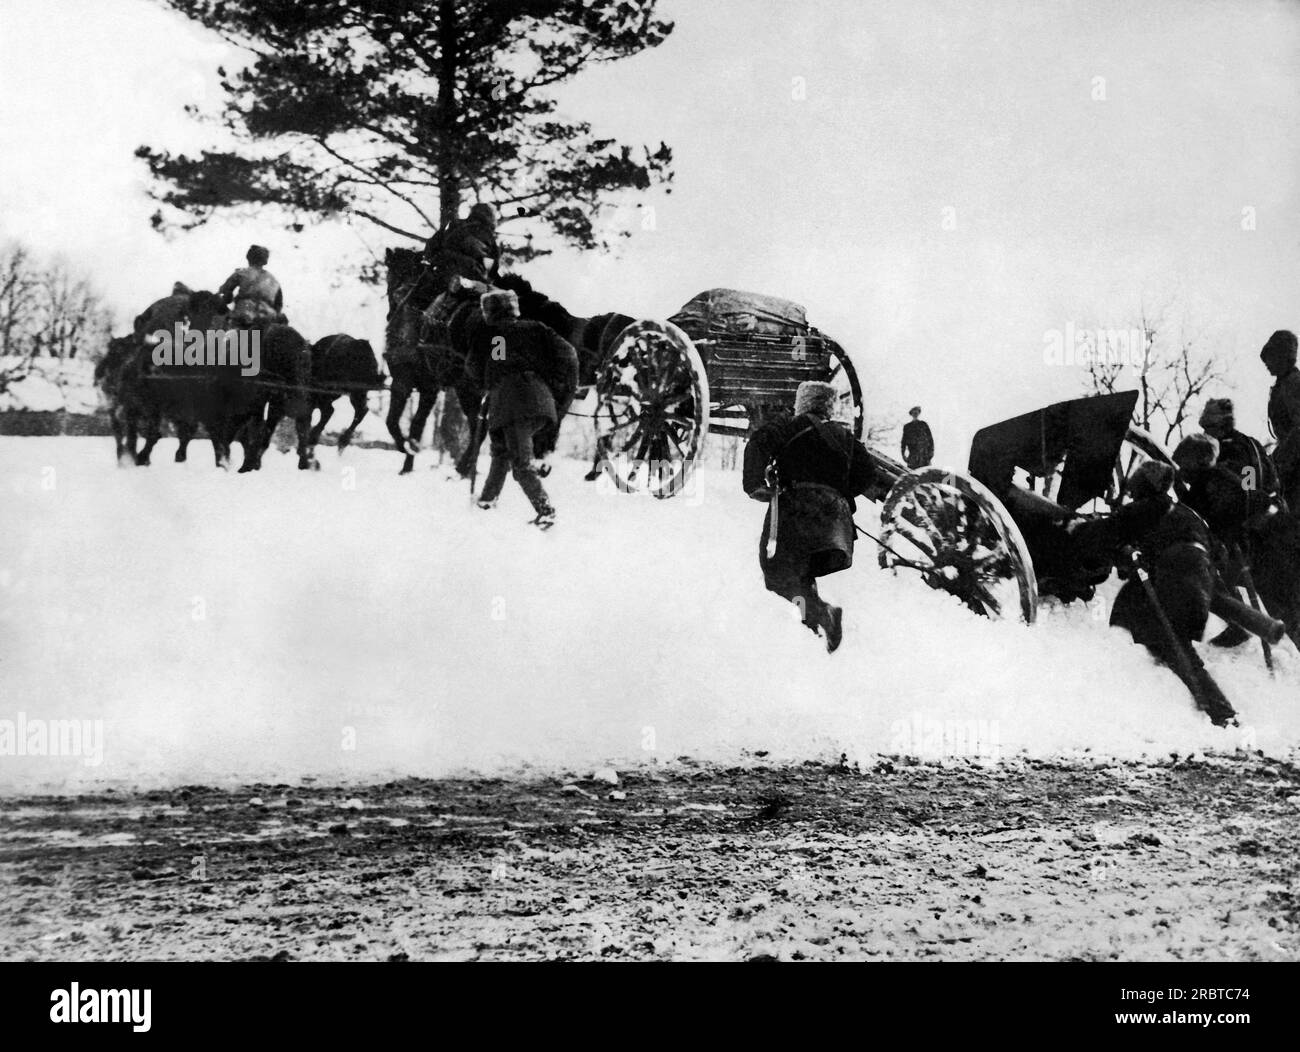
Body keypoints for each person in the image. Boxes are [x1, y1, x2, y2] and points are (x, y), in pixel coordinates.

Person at [1087, 460, 1235, 726]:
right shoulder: (1188, 513)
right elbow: (1220, 554)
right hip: (1197, 584)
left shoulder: (1143, 509)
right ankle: (1183, 708)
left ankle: (1221, 713)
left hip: (1172, 582)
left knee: (1173, 647)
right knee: (1162, 644)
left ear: (1143, 485)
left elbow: (1100, 536)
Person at [743, 381, 883, 652]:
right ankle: (814, 627)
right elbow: (867, 475)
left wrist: (755, 484)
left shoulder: (789, 425)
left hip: (797, 510)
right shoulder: (845, 437)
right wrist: (838, 492)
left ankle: (821, 613)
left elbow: (759, 442)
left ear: (802, 404)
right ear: (829, 407)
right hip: (836, 522)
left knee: (774, 574)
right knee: (801, 572)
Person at [464, 289, 578, 528]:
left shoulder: (497, 336)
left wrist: (485, 382)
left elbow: (489, 366)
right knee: (501, 452)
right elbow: (568, 353)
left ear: (490, 313)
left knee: (520, 464)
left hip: (512, 404)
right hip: (538, 401)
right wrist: (555, 382)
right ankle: (486, 500)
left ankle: (546, 511)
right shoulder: (536, 328)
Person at [422, 203, 501, 340]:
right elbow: (493, 269)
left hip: (448, 275)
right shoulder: (491, 239)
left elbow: (431, 248)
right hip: (478, 284)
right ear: (490, 219)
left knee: (425, 307)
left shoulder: (454, 224)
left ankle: (423, 336)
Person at [1262, 330, 1300, 505]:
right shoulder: (1283, 383)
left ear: (1282, 356)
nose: (1266, 363)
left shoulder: (1293, 383)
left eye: (1271, 356)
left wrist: (1276, 460)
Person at [217, 245, 283, 325]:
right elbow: (278, 306)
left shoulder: (241, 273)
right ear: (265, 261)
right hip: (268, 319)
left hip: (244, 314)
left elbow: (224, 291)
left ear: (249, 258)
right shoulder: (274, 280)